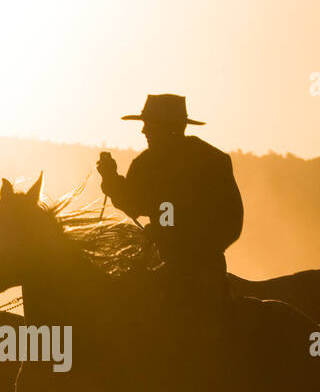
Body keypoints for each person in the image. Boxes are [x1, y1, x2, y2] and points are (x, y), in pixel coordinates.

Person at [96, 94, 243, 303]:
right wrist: (110, 178)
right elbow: (133, 201)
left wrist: (181, 245)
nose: (143, 130)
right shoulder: (213, 160)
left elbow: (134, 202)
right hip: (188, 269)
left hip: (196, 273)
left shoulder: (149, 163)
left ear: (165, 127)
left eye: (149, 124)